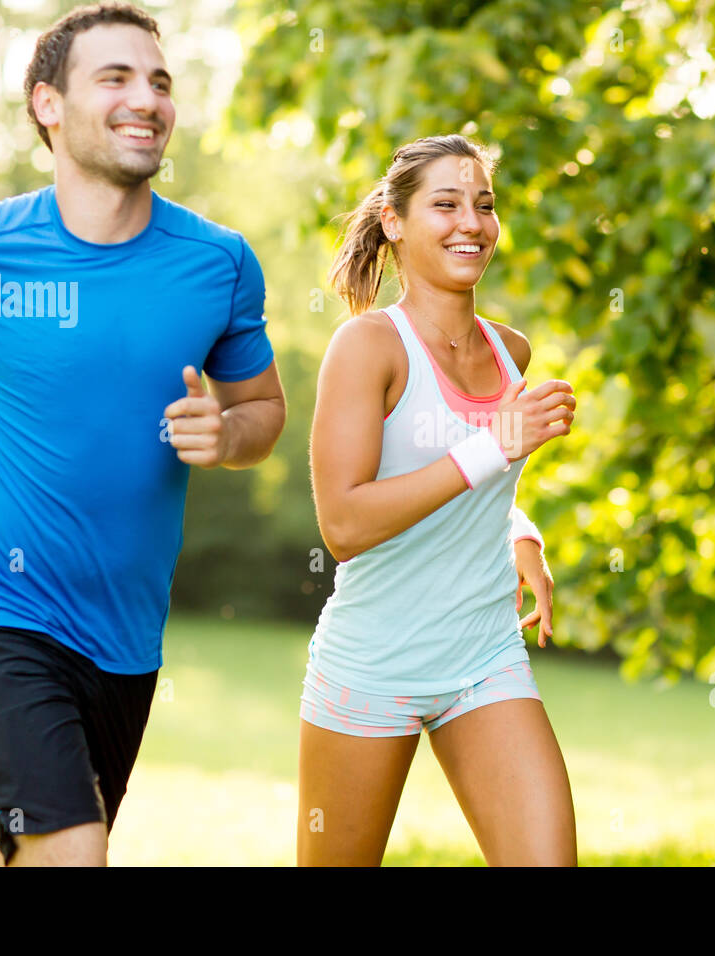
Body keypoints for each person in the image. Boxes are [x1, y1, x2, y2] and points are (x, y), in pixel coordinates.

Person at [0, 2, 285, 866]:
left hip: (125, 642)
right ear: (48, 104)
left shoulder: (218, 262)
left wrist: (226, 435)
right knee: (74, 850)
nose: (145, 98)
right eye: (114, 78)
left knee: (37, 854)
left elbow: (264, 411)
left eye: (158, 81)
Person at [298, 134, 578, 865]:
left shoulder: (508, 349)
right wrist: (497, 444)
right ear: (393, 220)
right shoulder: (368, 348)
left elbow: (462, 480)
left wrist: (522, 533)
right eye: (445, 204)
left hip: (483, 655)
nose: (472, 223)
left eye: (484, 205)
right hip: (373, 661)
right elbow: (346, 523)